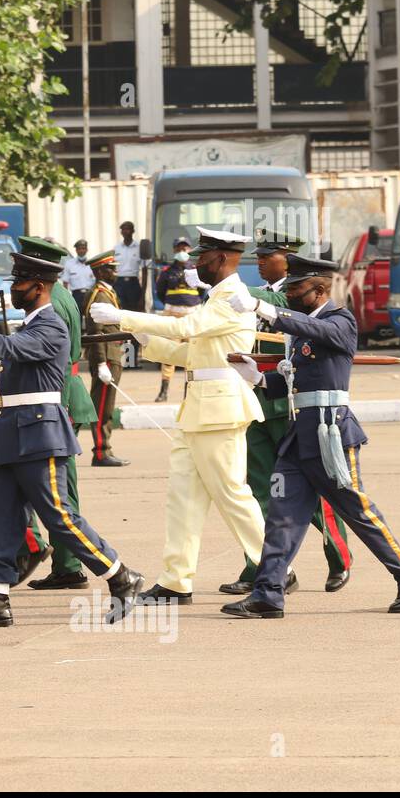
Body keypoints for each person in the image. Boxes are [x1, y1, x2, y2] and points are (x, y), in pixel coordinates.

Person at [0, 248, 144, 626]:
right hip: (13, 433)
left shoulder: (51, 326)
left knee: (60, 517)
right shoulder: (32, 325)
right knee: (2, 519)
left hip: (41, 435)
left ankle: (121, 576)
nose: (13, 291)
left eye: (19, 284)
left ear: (37, 287)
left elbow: (7, 349)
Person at [223, 254, 400, 617]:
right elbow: (297, 382)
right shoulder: (300, 329)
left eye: (296, 289)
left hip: (330, 434)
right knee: (281, 516)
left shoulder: (340, 321)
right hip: (298, 435)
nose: (288, 296)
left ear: (319, 291)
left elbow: (318, 333)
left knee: (358, 512)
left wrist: (264, 308)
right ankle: (268, 593)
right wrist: (257, 378)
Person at [91, 226, 265, 604]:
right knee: (183, 499)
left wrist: (125, 317)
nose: (196, 263)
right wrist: (146, 340)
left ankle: (274, 568)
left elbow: (186, 328)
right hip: (200, 408)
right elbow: (191, 355)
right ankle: (175, 580)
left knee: (232, 494)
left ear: (220, 259)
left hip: (220, 409)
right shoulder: (217, 298)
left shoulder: (231, 296)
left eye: (202, 257)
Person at [220, 235, 354, 596]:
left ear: (289, 259)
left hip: (292, 407)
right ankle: (260, 567)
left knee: (316, 492)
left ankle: (338, 555)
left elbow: (281, 308)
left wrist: (234, 288)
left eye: (269, 256)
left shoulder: (287, 296)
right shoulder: (261, 293)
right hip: (259, 397)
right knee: (261, 490)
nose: (261, 261)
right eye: (258, 257)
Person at [14, 237, 99, 592]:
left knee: (51, 487)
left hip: (58, 396)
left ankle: (66, 561)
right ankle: (68, 564)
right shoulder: (62, 296)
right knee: (61, 487)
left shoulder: (53, 303)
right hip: (65, 393)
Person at [83, 251, 128, 467]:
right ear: (100, 271)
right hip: (106, 356)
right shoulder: (98, 295)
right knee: (102, 407)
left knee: (107, 406)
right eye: (111, 268)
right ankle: (101, 451)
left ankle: (104, 448)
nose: (115, 272)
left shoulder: (107, 292)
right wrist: (101, 362)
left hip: (113, 353)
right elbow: (96, 332)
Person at [151, 237, 203, 403]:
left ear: (189, 250)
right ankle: (164, 391)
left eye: (185, 248)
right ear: (174, 251)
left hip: (192, 316)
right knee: (169, 354)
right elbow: (160, 292)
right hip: (172, 316)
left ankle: (190, 392)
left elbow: (202, 293)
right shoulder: (166, 272)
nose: (182, 251)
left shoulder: (197, 271)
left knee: (193, 355)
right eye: (179, 248)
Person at [113, 221, 145, 311]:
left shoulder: (139, 247)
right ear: (121, 232)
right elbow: (112, 267)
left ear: (133, 231)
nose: (125, 231)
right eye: (123, 229)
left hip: (133, 284)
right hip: (119, 283)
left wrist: (143, 295)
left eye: (128, 229)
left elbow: (144, 270)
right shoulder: (117, 248)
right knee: (119, 310)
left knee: (134, 311)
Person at [62, 239, 95, 308]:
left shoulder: (92, 263)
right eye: (79, 249)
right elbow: (65, 282)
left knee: (90, 316)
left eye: (83, 248)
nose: (81, 251)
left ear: (87, 249)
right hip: (76, 295)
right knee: (77, 317)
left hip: (90, 294)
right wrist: (66, 297)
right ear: (76, 250)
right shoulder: (69, 264)